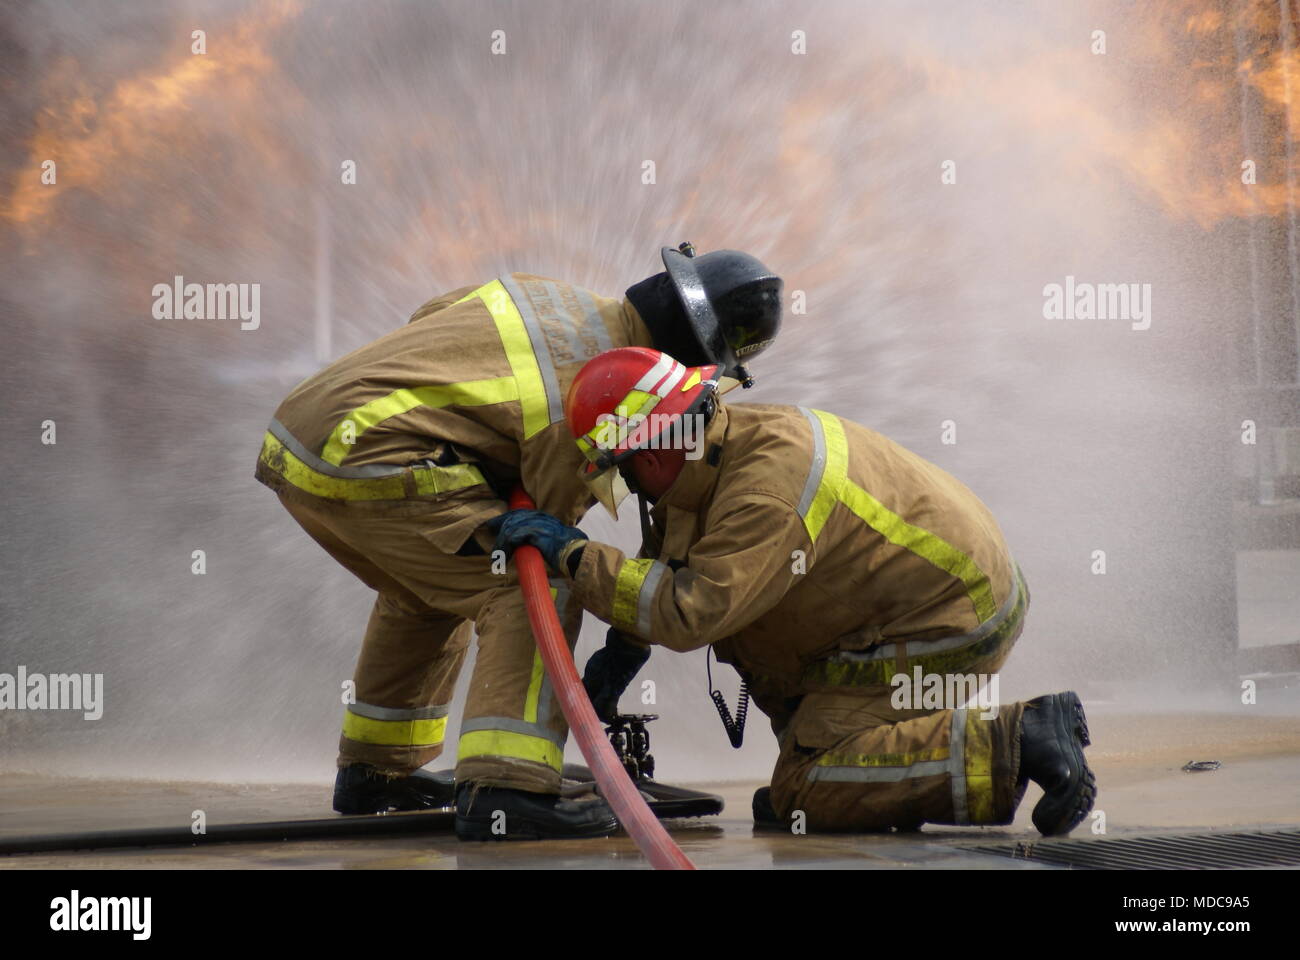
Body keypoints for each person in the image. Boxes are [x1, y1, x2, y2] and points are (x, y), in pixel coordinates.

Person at [254, 247, 783, 840]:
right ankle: (508, 790)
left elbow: (432, 317)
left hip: (300, 441)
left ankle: (377, 772)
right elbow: (550, 539)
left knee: (429, 587)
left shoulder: (549, 297)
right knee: (532, 578)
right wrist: (625, 620)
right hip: (371, 456)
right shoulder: (591, 396)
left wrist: (472, 432)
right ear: (691, 353)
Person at [489, 347, 1096, 835]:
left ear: (649, 452)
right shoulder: (709, 451)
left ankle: (1019, 738)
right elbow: (671, 553)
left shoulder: (762, 493)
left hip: (952, 624)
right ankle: (855, 785)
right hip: (922, 600)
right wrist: (623, 652)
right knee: (799, 738)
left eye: (622, 468)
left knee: (806, 785)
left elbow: (690, 609)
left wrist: (572, 555)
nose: (630, 486)